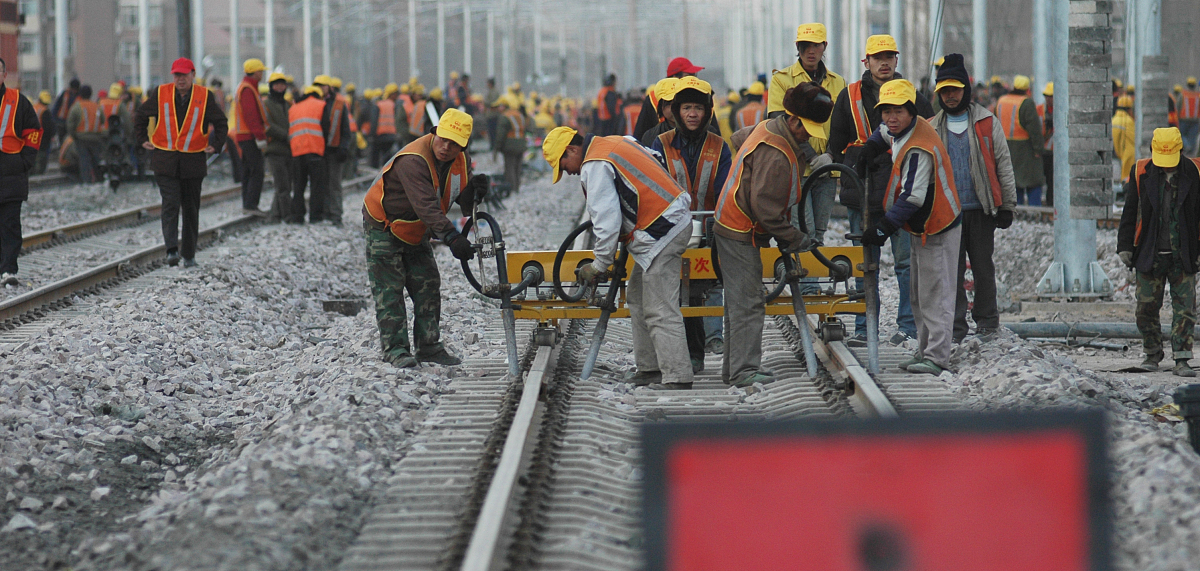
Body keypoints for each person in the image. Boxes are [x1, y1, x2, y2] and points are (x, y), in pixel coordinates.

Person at [543, 124, 694, 390]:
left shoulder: (595, 163)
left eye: (563, 163)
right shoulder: (614, 141)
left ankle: (677, 376)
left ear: (572, 149)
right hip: (667, 224)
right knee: (637, 296)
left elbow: (607, 221)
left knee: (660, 307)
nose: (567, 171)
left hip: (663, 231)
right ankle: (650, 368)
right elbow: (655, 160)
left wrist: (600, 264)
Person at [714, 84, 832, 387]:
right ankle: (743, 371)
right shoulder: (778, 152)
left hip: (732, 225)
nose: (807, 135)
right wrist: (793, 237)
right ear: (793, 121)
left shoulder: (768, 126)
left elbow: (739, 139)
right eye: (806, 129)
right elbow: (765, 208)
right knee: (749, 302)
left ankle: (734, 369)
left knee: (738, 303)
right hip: (739, 229)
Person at [828, 34, 933, 345]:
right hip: (861, 193)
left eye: (889, 56)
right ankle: (864, 329)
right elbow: (836, 144)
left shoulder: (911, 95)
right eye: (878, 57)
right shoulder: (848, 97)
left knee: (905, 263)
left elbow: (928, 134)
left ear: (896, 60)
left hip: (900, 192)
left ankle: (908, 327)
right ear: (867, 62)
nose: (884, 62)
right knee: (864, 264)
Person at [363, 109, 487, 368]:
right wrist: (452, 237)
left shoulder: (459, 161)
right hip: (384, 225)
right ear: (435, 132)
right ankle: (395, 349)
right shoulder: (414, 159)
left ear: (463, 146)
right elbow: (427, 205)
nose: (445, 147)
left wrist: (474, 191)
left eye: (454, 144)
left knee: (427, 284)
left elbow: (454, 194)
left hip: (414, 228)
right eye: (443, 139)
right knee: (390, 290)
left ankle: (429, 347)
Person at [860, 79, 962, 375]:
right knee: (919, 292)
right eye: (886, 111)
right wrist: (870, 147)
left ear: (911, 111)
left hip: (937, 224)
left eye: (898, 111)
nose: (891, 118)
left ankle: (937, 356)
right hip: (922, 225)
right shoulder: (902, 129)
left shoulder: (919, 146)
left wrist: (883, 228)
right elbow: (883, 133)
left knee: (936, 292)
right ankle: (925, 350)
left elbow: (913, 197)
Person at [928, 54, 1017, 344]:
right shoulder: (931, 127)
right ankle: (955, 328)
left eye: (955, 89)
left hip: (980, 210)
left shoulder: (986, 122)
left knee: (982, 267)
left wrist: (1007, 205)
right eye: (944, 91)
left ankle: (987, 322)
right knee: (950, 272)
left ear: (965, 89)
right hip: (946, 213)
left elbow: (1003, 163)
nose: (950, 96)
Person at [650, 76, 733, 367]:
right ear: (676, 111)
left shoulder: (719, 146)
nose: (692, 114)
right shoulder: (660, 144)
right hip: (672, 229)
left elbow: (725, 187)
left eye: (698, 108)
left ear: (707, 112)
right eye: (686, 108)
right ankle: (685, 354)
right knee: (677, 292)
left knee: (700, 289)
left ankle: (701, 351)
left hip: (709, 227)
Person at [1117, 128, 1200, 377]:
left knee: (1185, 309)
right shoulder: (1141, 171)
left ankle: (1182, 358)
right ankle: (1152, 353)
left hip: (1182, 253)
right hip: (1149, 253)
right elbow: (1130, 211)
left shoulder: (1194, 173)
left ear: (1180, 152)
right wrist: (1125, 246)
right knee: (1145, 308)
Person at [133, 58, 228, 268]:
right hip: (165, 162)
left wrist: (217, 145)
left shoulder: (204, 96)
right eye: (176, 75)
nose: (180, 79)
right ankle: (171, 250)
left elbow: (221, 122)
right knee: (170, 204)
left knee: (191, 209)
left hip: (193, 163)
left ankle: (189, 254)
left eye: (184, 75)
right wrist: (142, 139)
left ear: (193, 75)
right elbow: (140, 115)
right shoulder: (160, 93)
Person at [768, 22, 848, 248]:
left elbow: (842, 123)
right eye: (805, 46)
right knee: (803, 230)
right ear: (798, 47)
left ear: (824, 46)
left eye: (815, 45)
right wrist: (812, 157)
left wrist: (830, 156)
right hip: (797, 168)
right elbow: (780, 122)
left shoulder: (838, 82)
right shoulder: (782, 80)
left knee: (819, 233)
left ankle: (810, 280)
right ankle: (809, 284)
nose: (810, 51)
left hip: (827, 170)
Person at [0, 57, 43, 287]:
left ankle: (8, 269)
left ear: (4, 75)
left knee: (9, 224)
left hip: (11, 174)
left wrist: (25, 161)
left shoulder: (18, 101)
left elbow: (34, 131)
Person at [995, 75, 1045, 205]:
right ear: (1028, 89)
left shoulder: (1001, 100)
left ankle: (1017, 212)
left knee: (1013, 183)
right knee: (1033, 182)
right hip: (1025, 150)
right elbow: (1034, 129)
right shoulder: (1026, 103)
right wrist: (1038, 149)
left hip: (1004, 148)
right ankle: (1034, 212)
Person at [632, 57, 704, 140]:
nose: (693, 80)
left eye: (694, 76)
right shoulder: (653, 98)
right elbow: (640, 136)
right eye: (689, 77)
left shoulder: (701, 96)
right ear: (675, 77)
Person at [231, 58, 269, 216]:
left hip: (244, 136)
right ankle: (251, 205)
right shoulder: (248, 89)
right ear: (256, 72)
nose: (262, 74)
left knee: (248, 170)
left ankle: (248, 204)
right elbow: (251, 115)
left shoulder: (247, 87)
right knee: (257, 170)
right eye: (261, 71)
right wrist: (260, 136)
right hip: (249, 137)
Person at [288, 85, 330, 224]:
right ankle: (315, 216)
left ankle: (297, 216)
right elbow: (325, 128)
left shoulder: (294, 107)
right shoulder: (321, 105)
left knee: (298, 185)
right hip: (314, 149)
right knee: (316, 185)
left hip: (297, 150)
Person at [315, 76, 352, 225]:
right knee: (321, 183)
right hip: (318, 151)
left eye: (323, 86)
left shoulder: (339, 104)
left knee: (334, 184)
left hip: (334, 150)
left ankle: (336, 215)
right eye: (318, 86)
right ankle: (324, 213)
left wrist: (343, 148)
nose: (321, 88)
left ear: (329, 87)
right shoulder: (314, 103)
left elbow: (345, 129)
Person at [262, 72, 293, 223]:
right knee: (283, 186)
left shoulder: (288, 105)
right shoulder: (266, 104)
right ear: (271, 86)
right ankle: (287, 216)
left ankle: (274, 216)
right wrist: (285, 135)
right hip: (274, 150)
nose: (279, 87)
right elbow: (267, 125)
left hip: (289, 150)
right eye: (276, 84)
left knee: (284, 185)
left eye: (282, 84)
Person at [66, 85, 106, 184]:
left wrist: (73, 135)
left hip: (81, 138)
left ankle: (86, 181)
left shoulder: (77, 106)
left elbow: (70, 123)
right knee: (96, 160)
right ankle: (99, 180)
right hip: (96, 138)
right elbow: (103, 120)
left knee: (84, 161)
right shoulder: (96, 106)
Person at [493, 94, 527, 194]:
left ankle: (511, 188)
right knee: (518, 167)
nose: (498, 108)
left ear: (504, 106)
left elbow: (500, 134)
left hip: (510, 146)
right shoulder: (519, 115)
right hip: (521, 145)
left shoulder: (504, 117)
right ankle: (517, 187)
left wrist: (497, 148)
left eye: (500, 106)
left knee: (510, 168)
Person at [372, 84, 400, 168]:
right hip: (391, 135)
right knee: (388, 158)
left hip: (379, 135)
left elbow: (374, 121)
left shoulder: (379, 104)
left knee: (377, 156)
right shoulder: (394, 105)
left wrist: (372, 135)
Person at [1113, 96, 1136, 184]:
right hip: (1127, 155)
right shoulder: (1128, 121)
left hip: (1116, 155)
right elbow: (1133, 139)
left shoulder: (1114, 120)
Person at [1040, 82, 1055, 206]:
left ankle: (1051, 203)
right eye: (1047, 96)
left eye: (1051, 96)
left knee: (1052, 181)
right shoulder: (1039, 109)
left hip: (1055, 153)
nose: (1049, 99)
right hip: (1043, 151)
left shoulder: (1061, 111)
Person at [31, 90, 52, 175]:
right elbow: (48, 127)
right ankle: (38, 175)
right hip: (41, 138)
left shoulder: (32, 107)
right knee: (41, 159)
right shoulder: (45, 111)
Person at [1180, 78, 1199, 155]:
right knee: (1193, 137)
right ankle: (1191, 152)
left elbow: (1178, 106)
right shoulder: (1198, 95)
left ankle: (1187, 146)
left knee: (1182, 134)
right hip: (1195, 120)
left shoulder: (1183, 94)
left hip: (1184, 119)